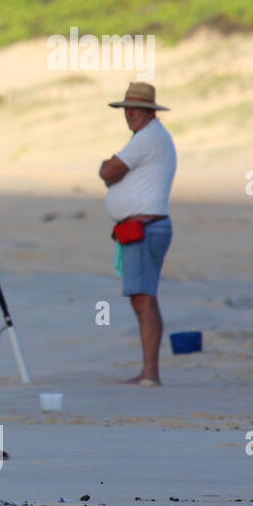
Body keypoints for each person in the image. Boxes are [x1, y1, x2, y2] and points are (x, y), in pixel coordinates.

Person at [98, 82, 176, 387]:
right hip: (139, 229)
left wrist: (109, 167)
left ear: (149, 112)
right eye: (126, 109)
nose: (129, 113)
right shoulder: (148, 138)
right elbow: (112, 174)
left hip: (144, 229)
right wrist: (112, 170)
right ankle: (149, 371)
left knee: (143, 299)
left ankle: (150, 373)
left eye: (135, 109)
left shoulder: (147, 138)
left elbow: (108, 171)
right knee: (143, 298)